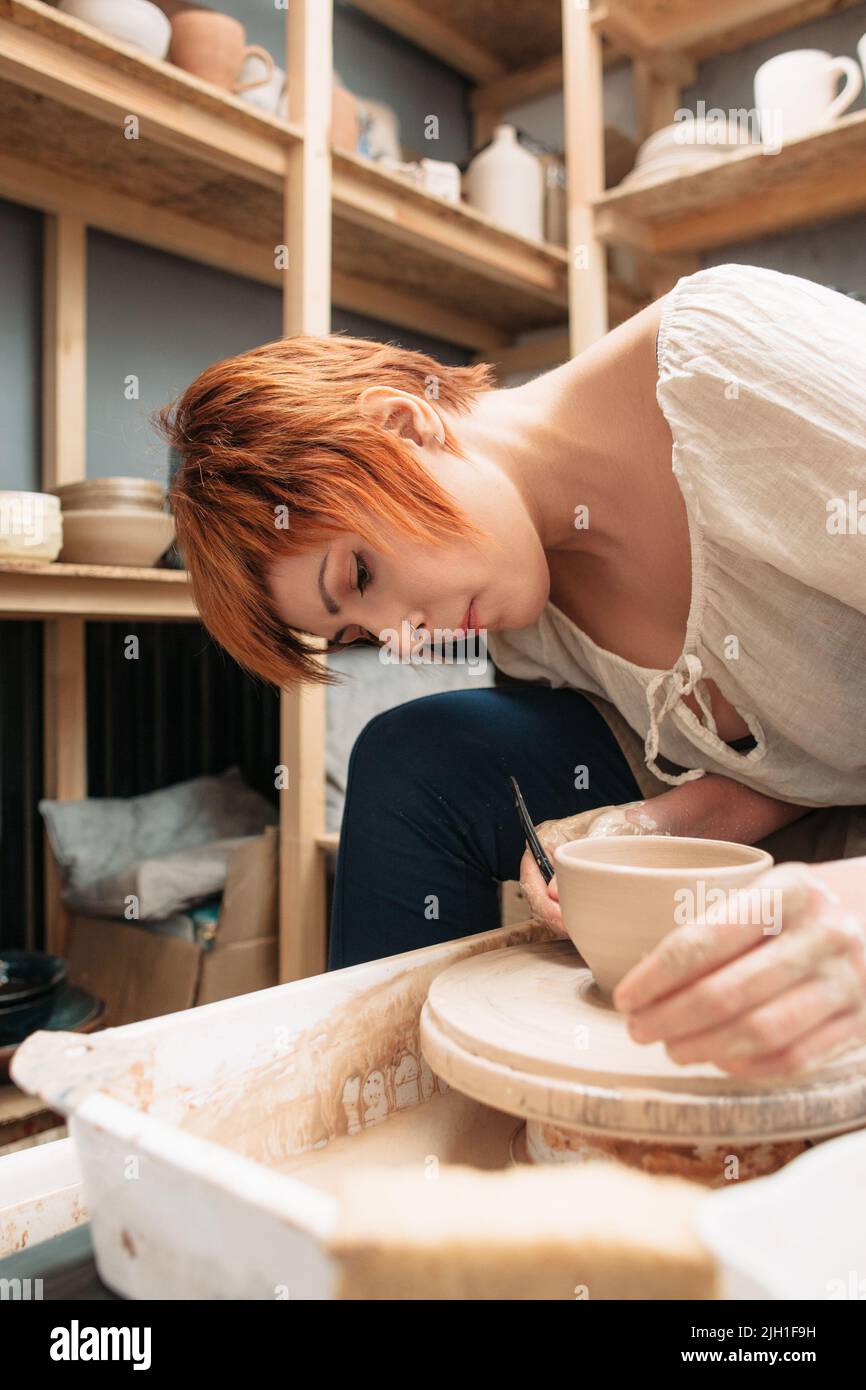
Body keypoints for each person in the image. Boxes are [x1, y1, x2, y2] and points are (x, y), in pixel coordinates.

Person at [157, 262, 866, 1079]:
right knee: (416, 757)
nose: (407, 640)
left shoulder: (732, 367)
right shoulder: (527, 630)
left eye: (358, 577)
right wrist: (651, 830)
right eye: (357, 633)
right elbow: (784, 761)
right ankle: (415, 1148)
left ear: (402, 423)